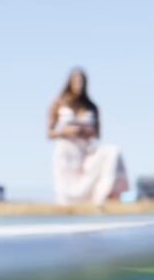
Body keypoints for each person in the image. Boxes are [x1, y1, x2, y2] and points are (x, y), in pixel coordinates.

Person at [48, 68, 129, 205]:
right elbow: (50, 133)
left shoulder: (92, 107)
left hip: (86, 152)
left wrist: (84, 132)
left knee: (113, 152)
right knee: (67, 199)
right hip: (66, 154)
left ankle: (104, 197)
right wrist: (67, 132)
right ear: (70, 83)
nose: (79, 85)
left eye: (82, 81)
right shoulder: (58, 104)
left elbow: (98, 133)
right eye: (76, 81)